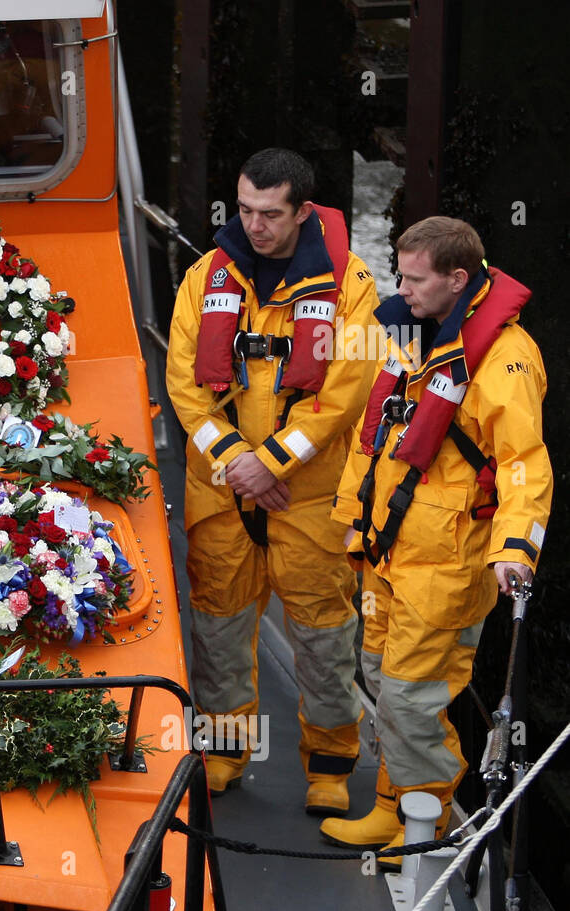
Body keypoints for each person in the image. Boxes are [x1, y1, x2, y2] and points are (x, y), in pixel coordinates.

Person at [323, 216, 552, 862]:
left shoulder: (505, 358)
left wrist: (515, 547)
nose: (401, 287)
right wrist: (351, 515)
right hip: (389, 548)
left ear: (457, 278)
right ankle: (393, 806)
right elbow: (375, 439)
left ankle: (423, 827)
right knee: (377, 675)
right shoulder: (408, 333)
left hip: (446, 563)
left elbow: (523, 464)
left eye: (414, 278)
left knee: (412, 695)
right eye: (399, 274)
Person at [166, 148, 380, 814]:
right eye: (245, 210)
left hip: (308, 497)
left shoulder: (351, 286)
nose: (253, 226)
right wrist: (238, 462)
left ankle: (330, 764)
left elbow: (346, 391)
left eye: (269, 214)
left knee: (322, 635)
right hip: (224, 490)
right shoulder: (206, 277)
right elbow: (183, 381)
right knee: (221, 630)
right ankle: (226, 753)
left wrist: (273, 461)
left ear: (303, 212)